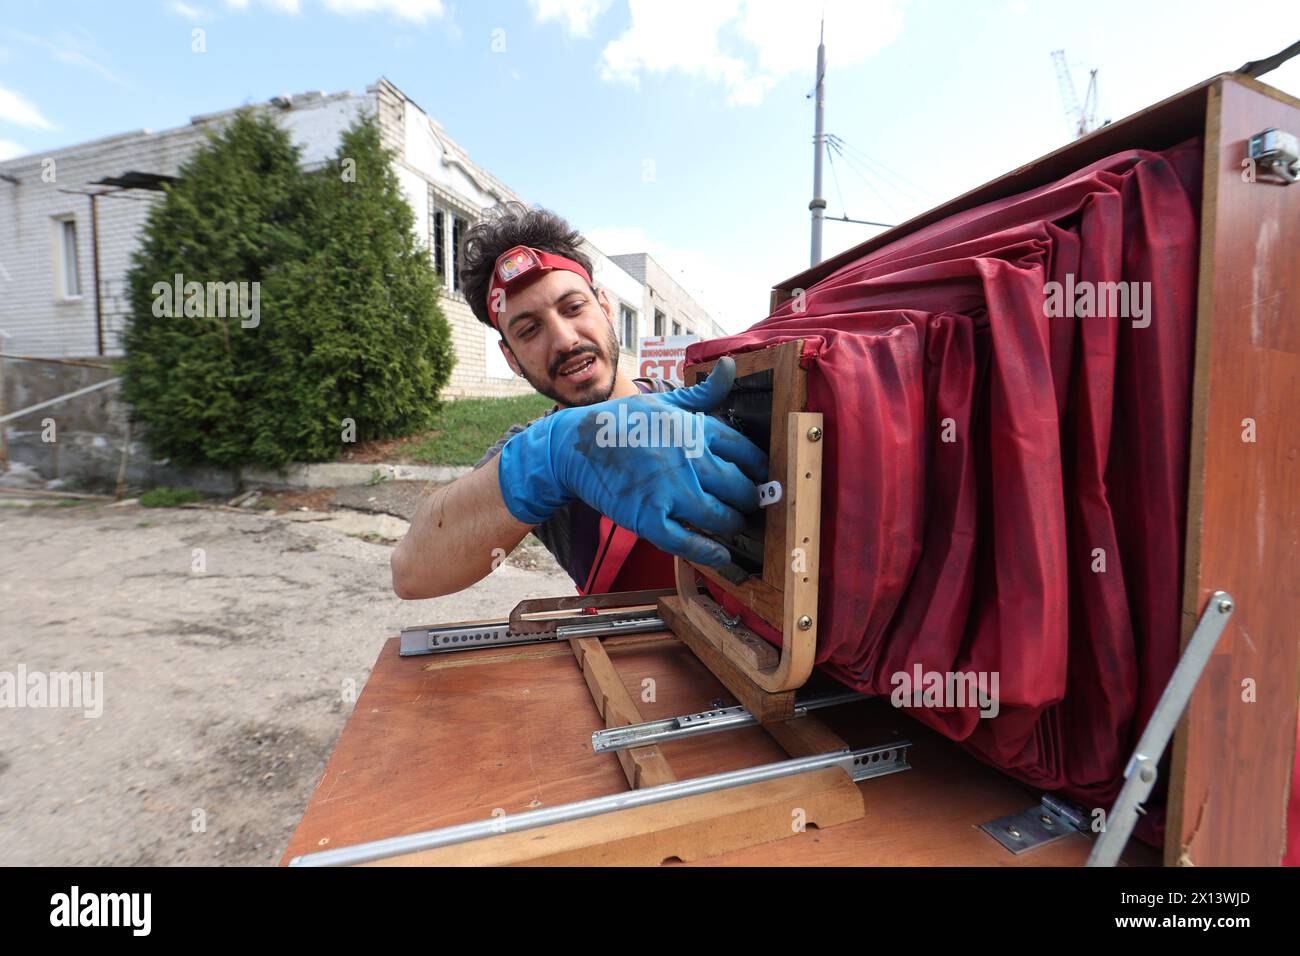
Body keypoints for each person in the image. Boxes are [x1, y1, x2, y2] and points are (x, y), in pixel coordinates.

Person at [391, 202, 767, 599]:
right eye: (529, 330)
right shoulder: (536, 451)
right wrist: (552, 456)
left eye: (573, 308)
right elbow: (410, 573)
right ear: (511, 358)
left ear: (605, 308)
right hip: (620, 657)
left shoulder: (697, 403)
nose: (565, 340)